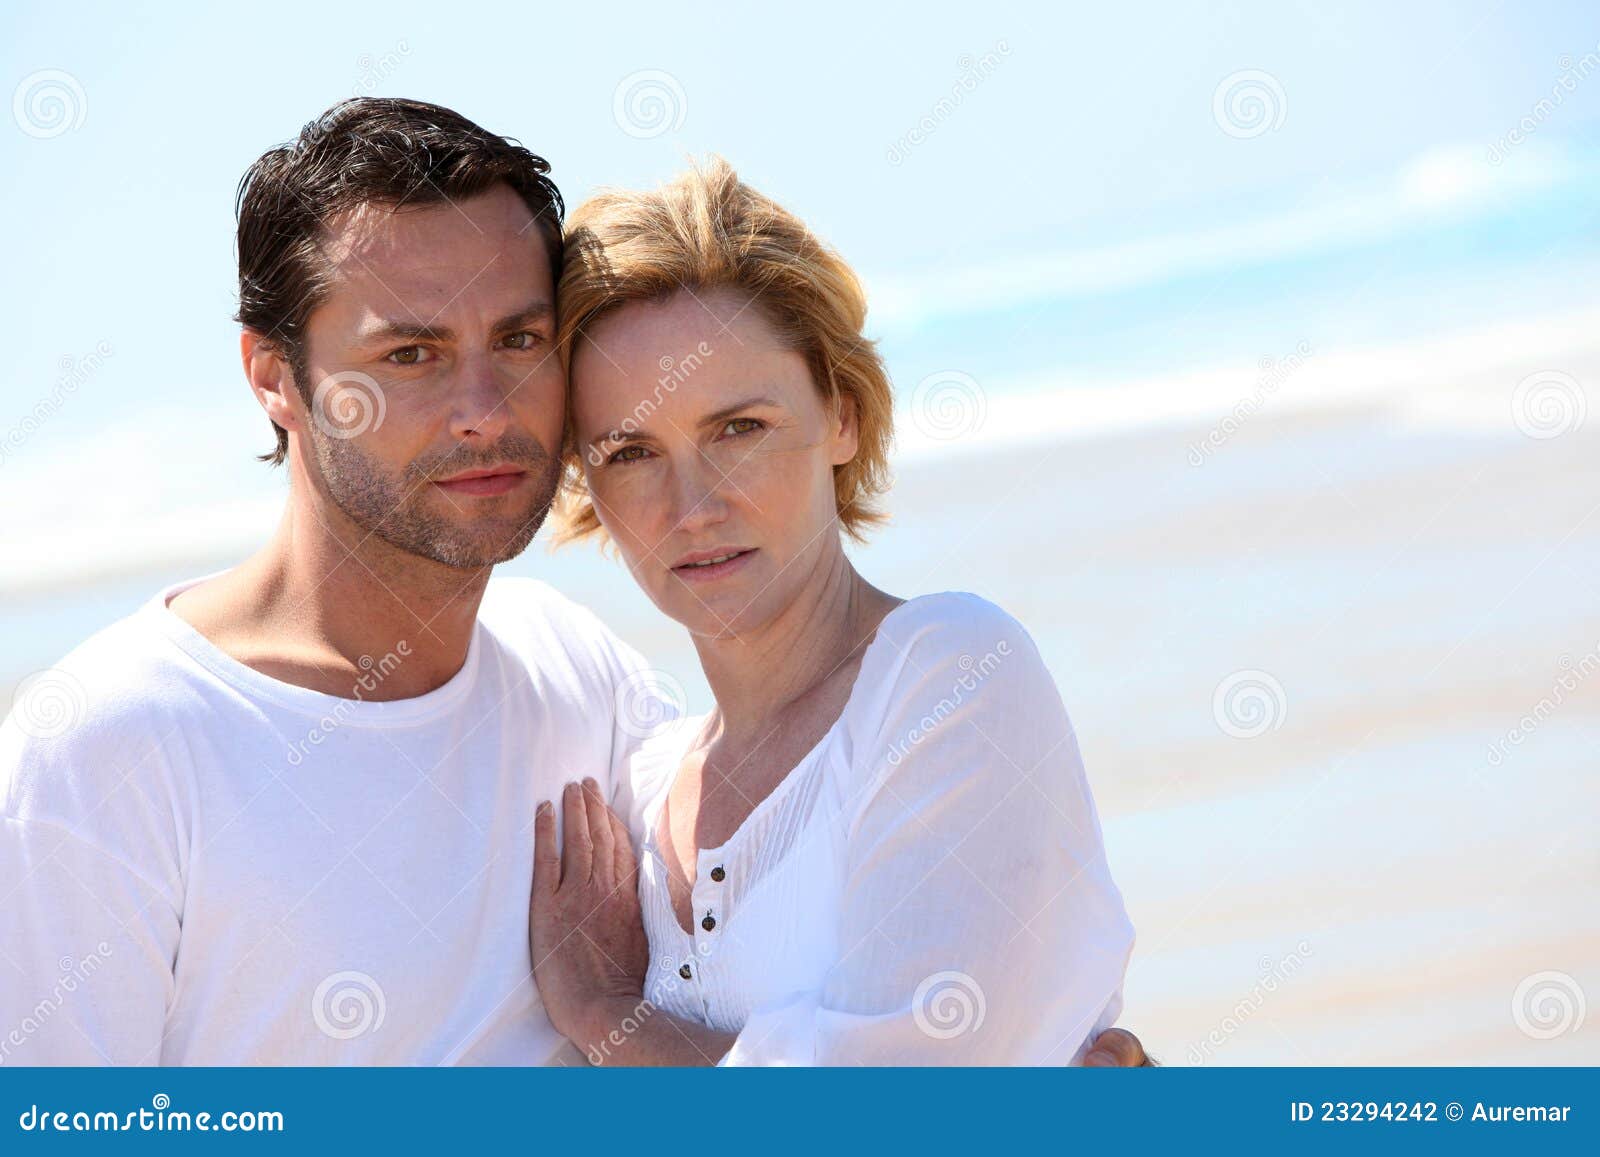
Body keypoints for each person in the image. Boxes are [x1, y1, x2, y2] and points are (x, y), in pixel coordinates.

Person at [0, 98, 1149, 1069]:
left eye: (517, 339)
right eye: (411, 354)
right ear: (275, 376)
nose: (485, 411)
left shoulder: (582, 689)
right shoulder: (112, 745)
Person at [528, 160, 1138, 1065]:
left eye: (740, 427)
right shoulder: (635, 792)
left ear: (842, 415)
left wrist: (605, 1011)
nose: (693, 504)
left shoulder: (951, 676)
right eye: (630, 451)